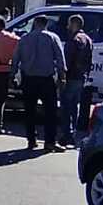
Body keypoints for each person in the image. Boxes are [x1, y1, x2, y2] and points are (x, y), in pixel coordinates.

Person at [11, 15, 67, 152]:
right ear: (46, 24)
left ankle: (31, 140)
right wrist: (62, 77)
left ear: (35, 24)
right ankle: (49, 142)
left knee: (29, 111)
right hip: (46, 80)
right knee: (50, 112)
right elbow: (60, 58)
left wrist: (12, 76)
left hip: (28, 79)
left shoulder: (24, 39)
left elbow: (15, 58)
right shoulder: (52, 37)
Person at [59, 14, 93, 146]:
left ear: (74, 24)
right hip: (81, 77)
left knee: (66, 107)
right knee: (74, 107)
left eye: (69, 23)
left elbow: (66, 61)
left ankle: (66, 135)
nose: (67, 26)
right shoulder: (88, 40)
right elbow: (90, 60)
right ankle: (73, 134)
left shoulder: (73, 40)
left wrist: (62, 77)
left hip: (71, 76)